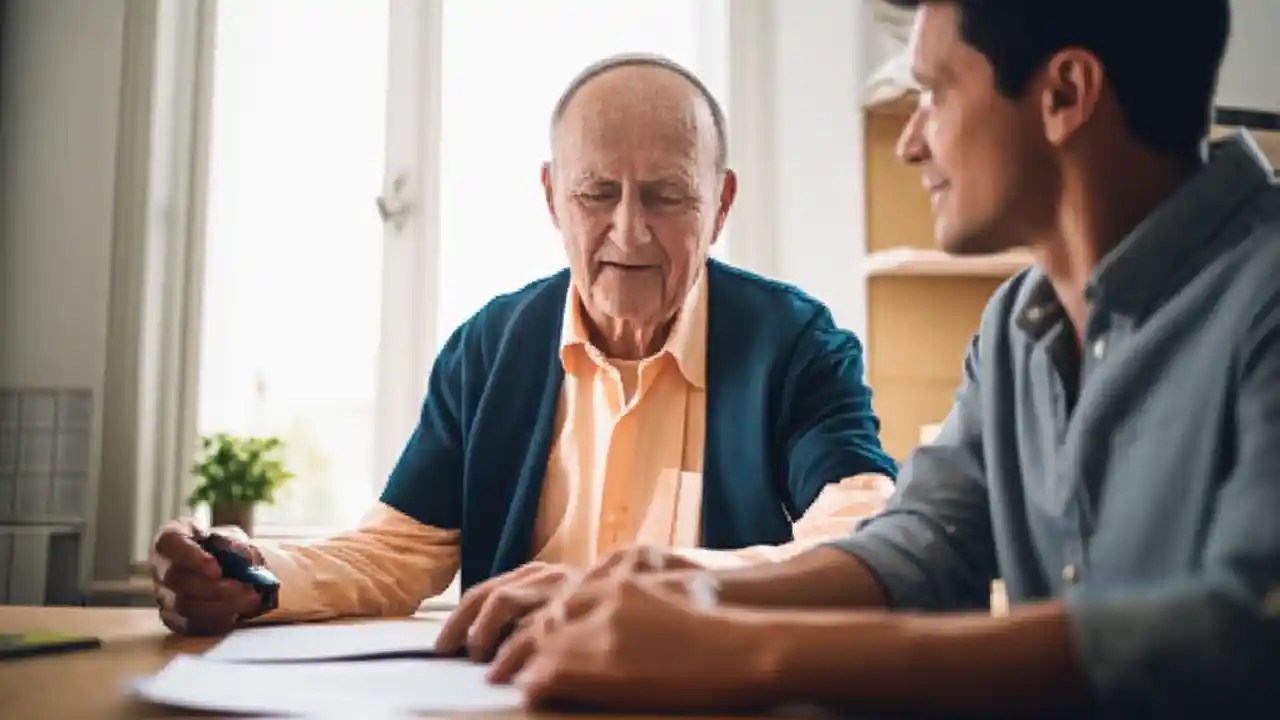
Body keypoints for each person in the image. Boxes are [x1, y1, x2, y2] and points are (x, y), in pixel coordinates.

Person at [498, 1, 1280, 716]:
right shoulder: (1016, 324)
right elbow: (925, 545)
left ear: (1065, 94)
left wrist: (755, 651)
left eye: (935, 93)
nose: (911, 140)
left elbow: (1242, 633)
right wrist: (683, 593)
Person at [148, 54, 899, 642]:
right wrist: (254, 575)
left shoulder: (797, 342)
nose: (629, 232)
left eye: (667, 196)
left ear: (722, 202)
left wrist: (637, 585)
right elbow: (397, 553)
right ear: (550, 197)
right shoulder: (488, 347)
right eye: (596, 193)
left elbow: (863, 534)